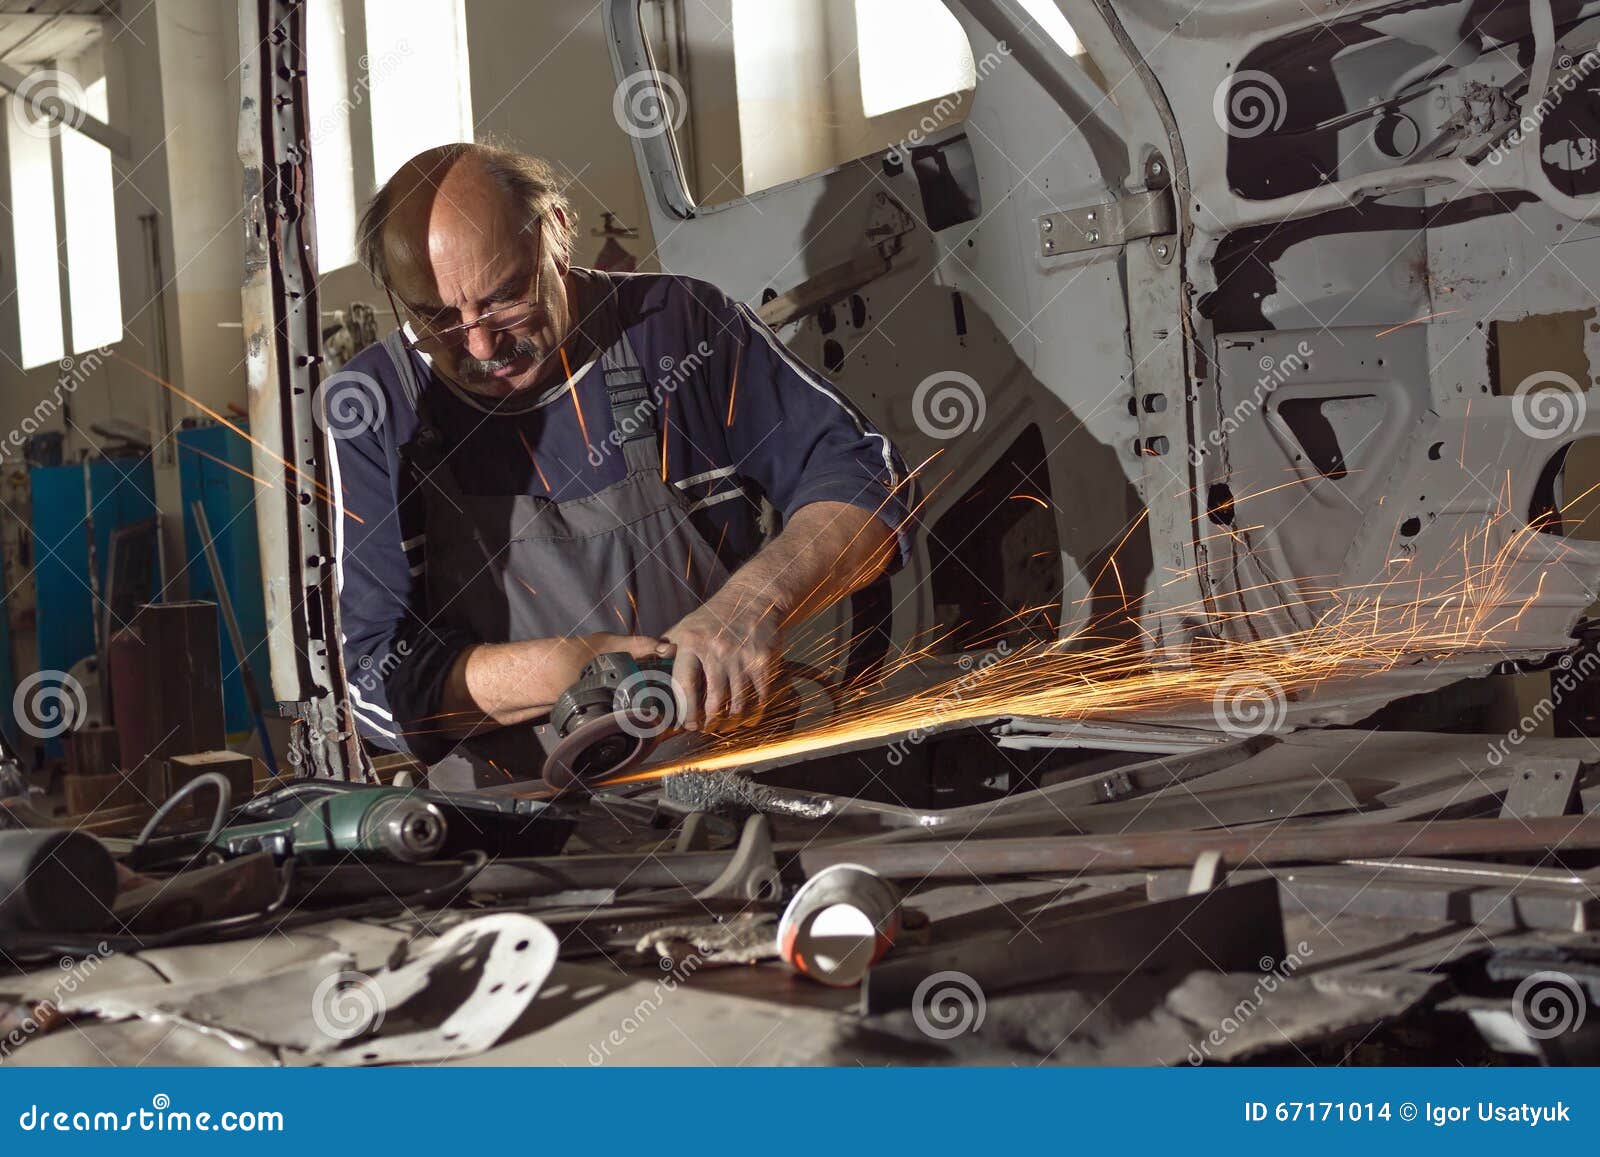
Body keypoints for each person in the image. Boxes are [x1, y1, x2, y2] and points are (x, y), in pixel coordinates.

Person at [330, 142, 910, 787]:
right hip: (515, 827)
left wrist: (751, 602)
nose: (481, 344)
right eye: (435, 318)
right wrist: (571, 668)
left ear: (557, 235)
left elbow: (867, 483)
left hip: (743, 782)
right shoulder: (373, 410)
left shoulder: (679, 327)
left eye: (505, 298)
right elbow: (370, 683)